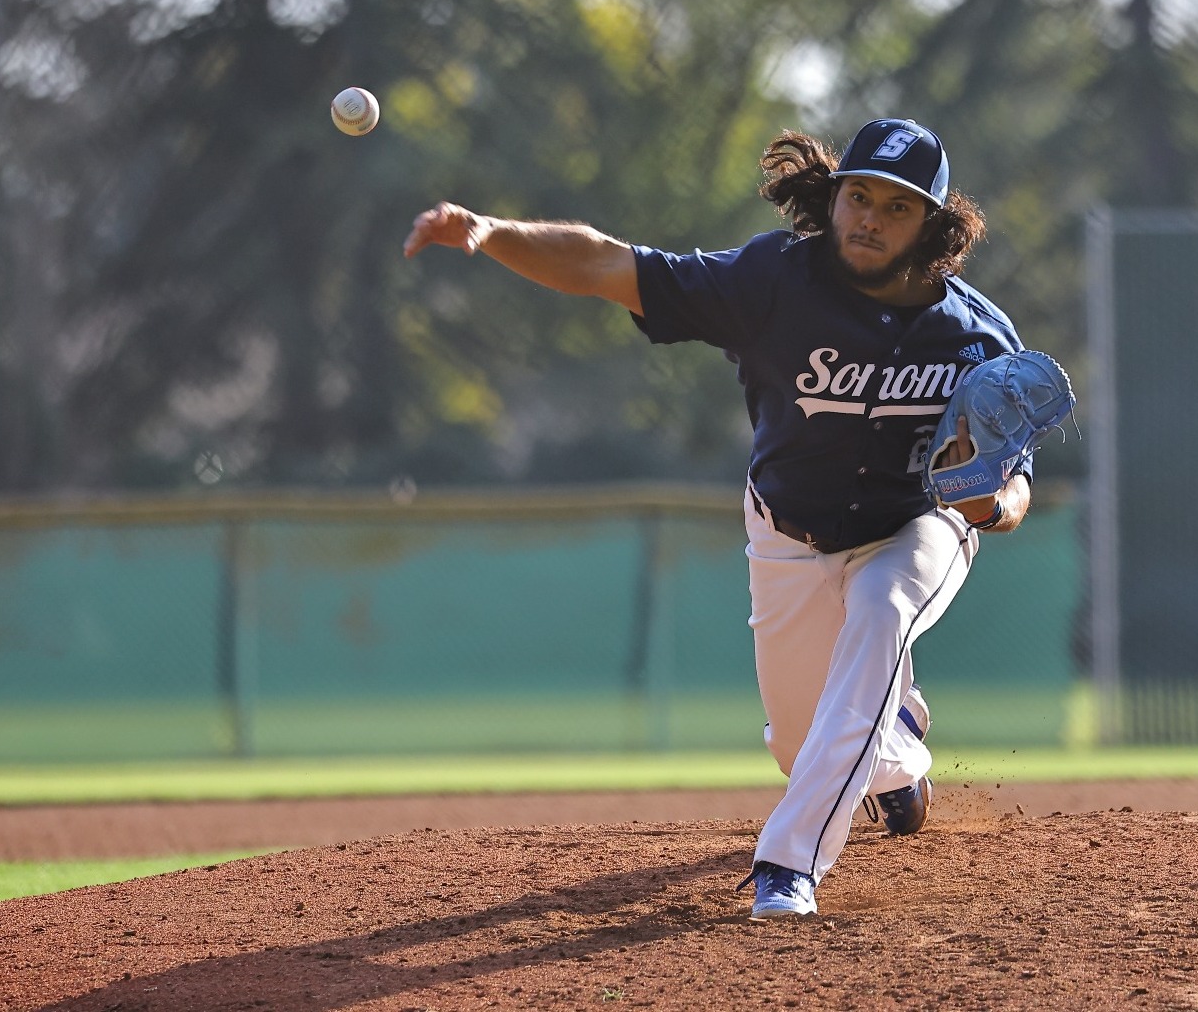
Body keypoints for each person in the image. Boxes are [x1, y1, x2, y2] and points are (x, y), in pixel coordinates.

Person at [402, 118, 1037, 918]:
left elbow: (1014, 485)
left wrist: (991, 504)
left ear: (934, 227)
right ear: (832, 197)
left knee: (883, 608)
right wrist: (490, 232)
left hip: (919, 527)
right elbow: (608, 264)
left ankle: (788, 866)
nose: (870, 219)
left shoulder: (978, 337)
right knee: (797, 744)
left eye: (897, 207)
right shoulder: (771, 281)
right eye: (858, 196)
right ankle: (896, 756)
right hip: (789, 532)